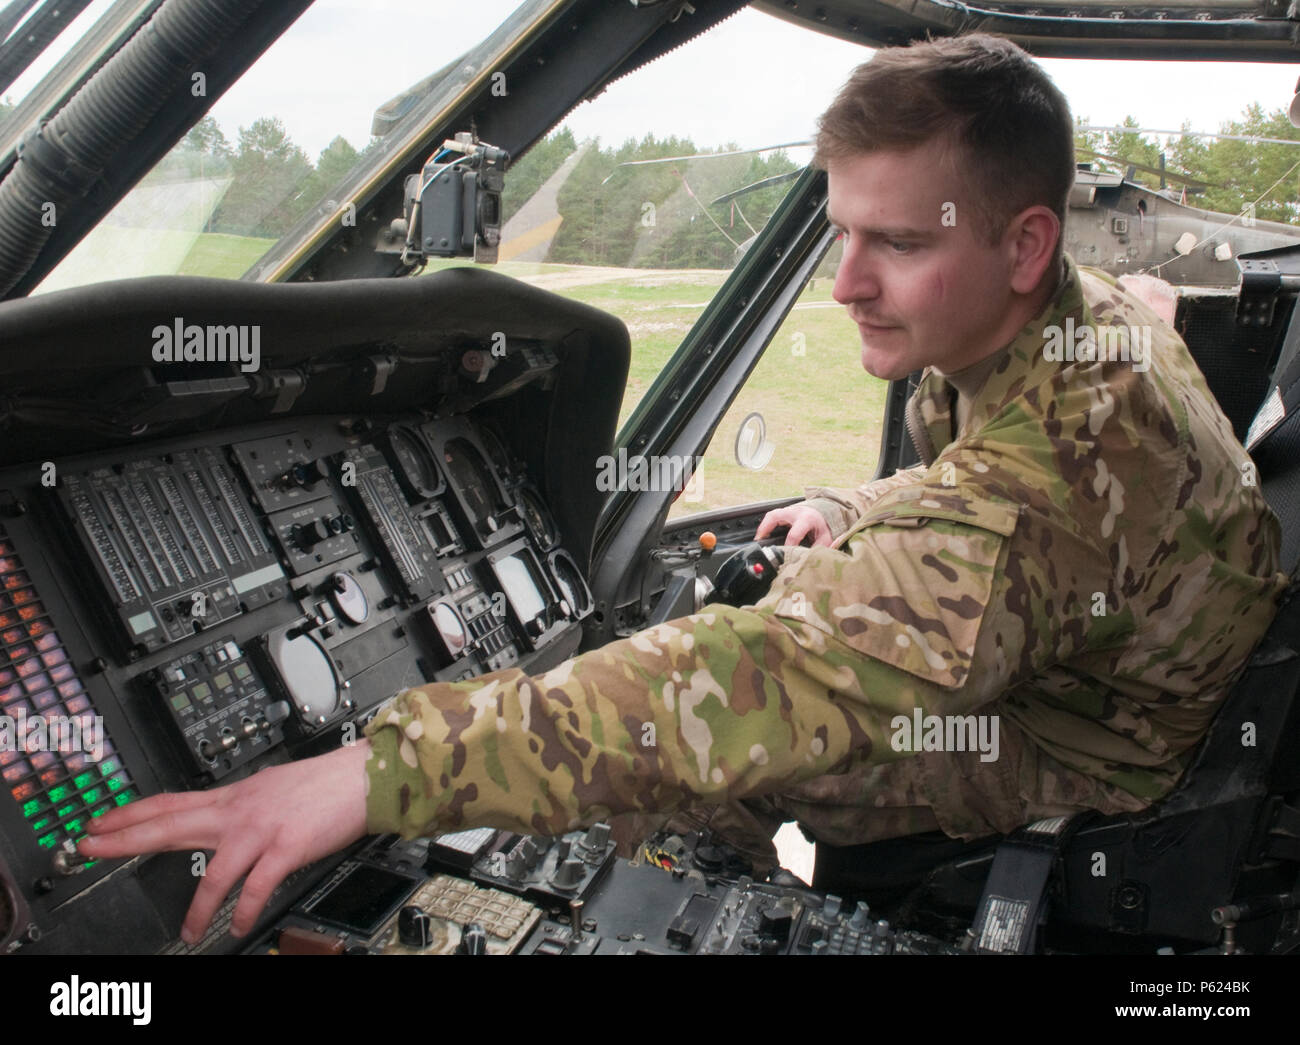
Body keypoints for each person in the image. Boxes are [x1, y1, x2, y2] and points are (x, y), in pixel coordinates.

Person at [79, 33, 1288, 946]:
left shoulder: (1036, 496)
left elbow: (750, 682)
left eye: (901, 245)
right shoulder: (1090, 327)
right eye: (839, 233)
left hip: (1082, 759)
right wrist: (857, 511)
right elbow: (1003, 462)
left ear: (1025, 245)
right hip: (1113, 675)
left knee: (710, 754)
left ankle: (688, 910)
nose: (846, 284)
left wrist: (371, 773)